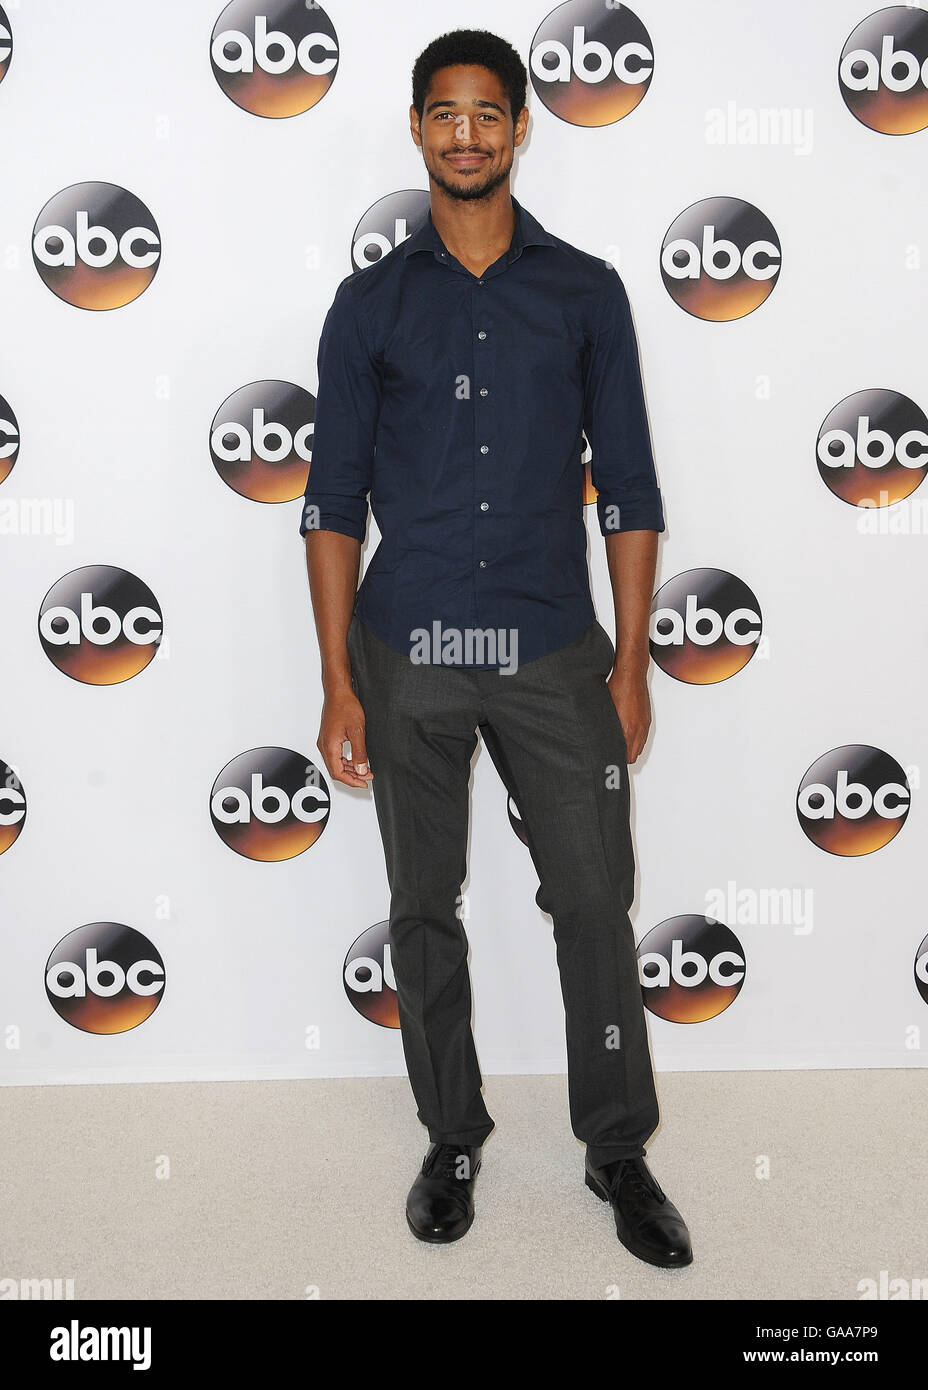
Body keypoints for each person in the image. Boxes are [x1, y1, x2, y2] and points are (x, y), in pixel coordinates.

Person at [301, 27, 692, 1268]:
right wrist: (335, 682)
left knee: (590, 897)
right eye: (443, 114)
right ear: (417, 129)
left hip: (549, 652)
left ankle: (617, 1148)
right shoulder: (369, 306)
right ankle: (451, 1134)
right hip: (406, 647)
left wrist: (629, 663)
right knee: (424, 908)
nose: (465, 134)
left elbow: (626, 488)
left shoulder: (586, 293)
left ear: (520, 129)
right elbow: (330, 503)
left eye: (487, 114)